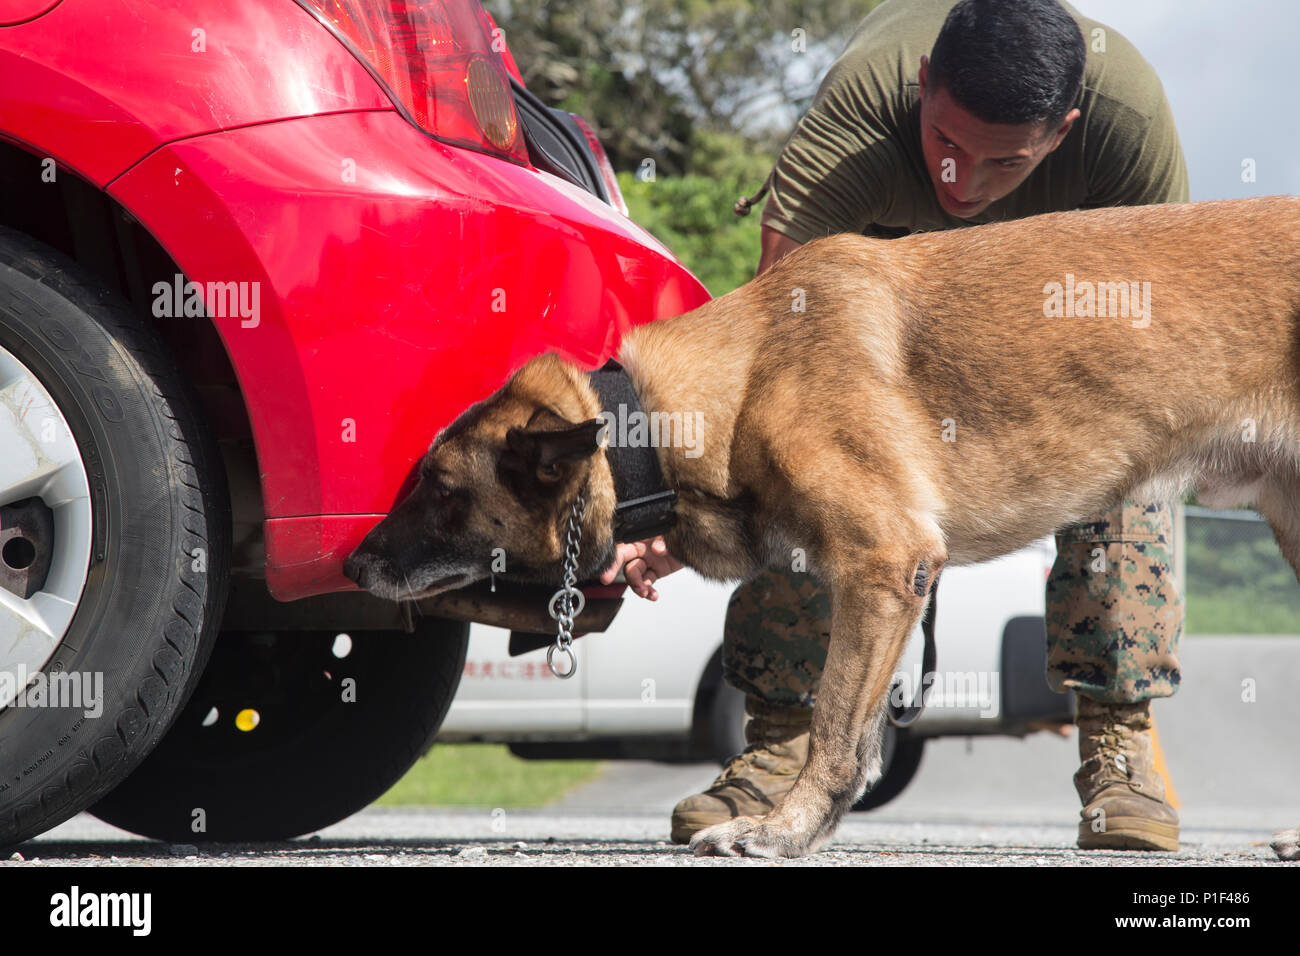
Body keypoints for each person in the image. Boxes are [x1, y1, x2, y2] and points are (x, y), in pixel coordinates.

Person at [602, 0, 1187, 852]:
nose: (962, 183)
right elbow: (774, 373)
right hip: (875, 320)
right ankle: (781, 742)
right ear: (922, 89)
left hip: (1067, 317)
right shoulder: (859, 117)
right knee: (802, 458)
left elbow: (1161, 336)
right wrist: (673, 526)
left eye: (1002, 162)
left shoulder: (1127, 123)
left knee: (1132, 448)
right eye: (945, 143)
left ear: (1062, 131)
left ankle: (1120, 748)